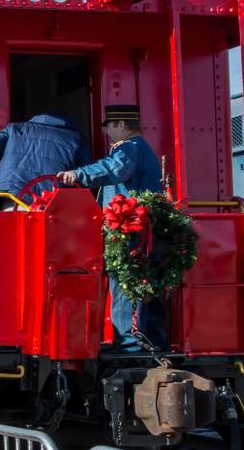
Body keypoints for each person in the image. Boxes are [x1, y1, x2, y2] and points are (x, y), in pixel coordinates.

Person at [58, 102, 167, 350]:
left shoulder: (130, 148)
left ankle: (129, 344)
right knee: (142, 283)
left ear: (122, 125)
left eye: (109, 126)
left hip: (130, 230)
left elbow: (113, 168)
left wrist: (78, 174)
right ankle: (151, 340)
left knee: (124, 281)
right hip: (141, 230)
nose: (106, 131)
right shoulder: (141, 148)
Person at [0, 113, 89, 208]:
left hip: (11, 198)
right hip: (49, 204)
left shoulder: (14, 129)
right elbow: (85, 176)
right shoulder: (76, 138)